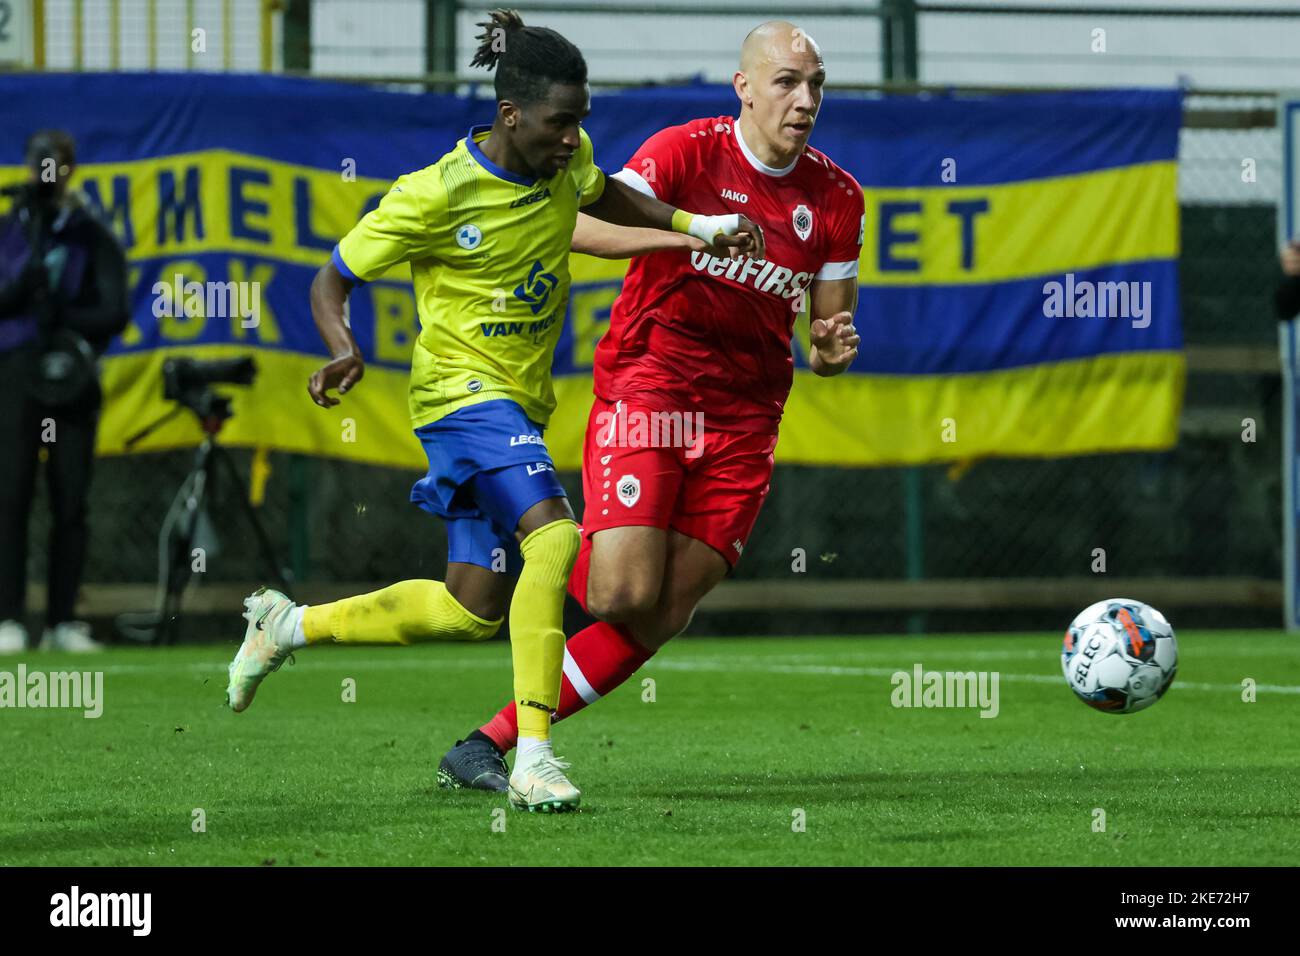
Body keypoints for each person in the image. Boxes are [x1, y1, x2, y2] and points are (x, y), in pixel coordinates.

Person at [223, 9, 763, 813]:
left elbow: (607, 194)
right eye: (559, 121)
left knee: (469, 606)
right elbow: (331, 279)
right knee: (553, 535)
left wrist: (697, 226)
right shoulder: (433, 194)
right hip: (459, 397)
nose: (574, 136)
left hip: (516, 402)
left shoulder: (566, 163)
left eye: (581, 119)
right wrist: (342, 346)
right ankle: (534, 756)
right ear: (511, 115)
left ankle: (287, 626)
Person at [438, 20, 864, 790]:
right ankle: (540, 537)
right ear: (745, 88)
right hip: (654, 384)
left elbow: (826, 331)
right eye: (786, 82)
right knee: (619, 594)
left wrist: (830, 349)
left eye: (816, 84)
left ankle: (485, 744)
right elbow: (582, 223)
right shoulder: (685, 151)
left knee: (663, 612)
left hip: (745, 420)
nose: (805, 100)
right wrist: (692, 238)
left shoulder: (837, 197)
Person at [0, 130, 130, 655]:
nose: (48, 172)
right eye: (41, 163)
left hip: (70, 378)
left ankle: (61, 622)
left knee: (70, 498)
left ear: (71, 168)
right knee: (10, 495)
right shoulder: (9, 231)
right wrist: (20, 290)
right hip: (14, 375)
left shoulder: (89, 235)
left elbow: (114, 310)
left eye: (58, 163)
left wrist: (65, 317)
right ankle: (8, 617)